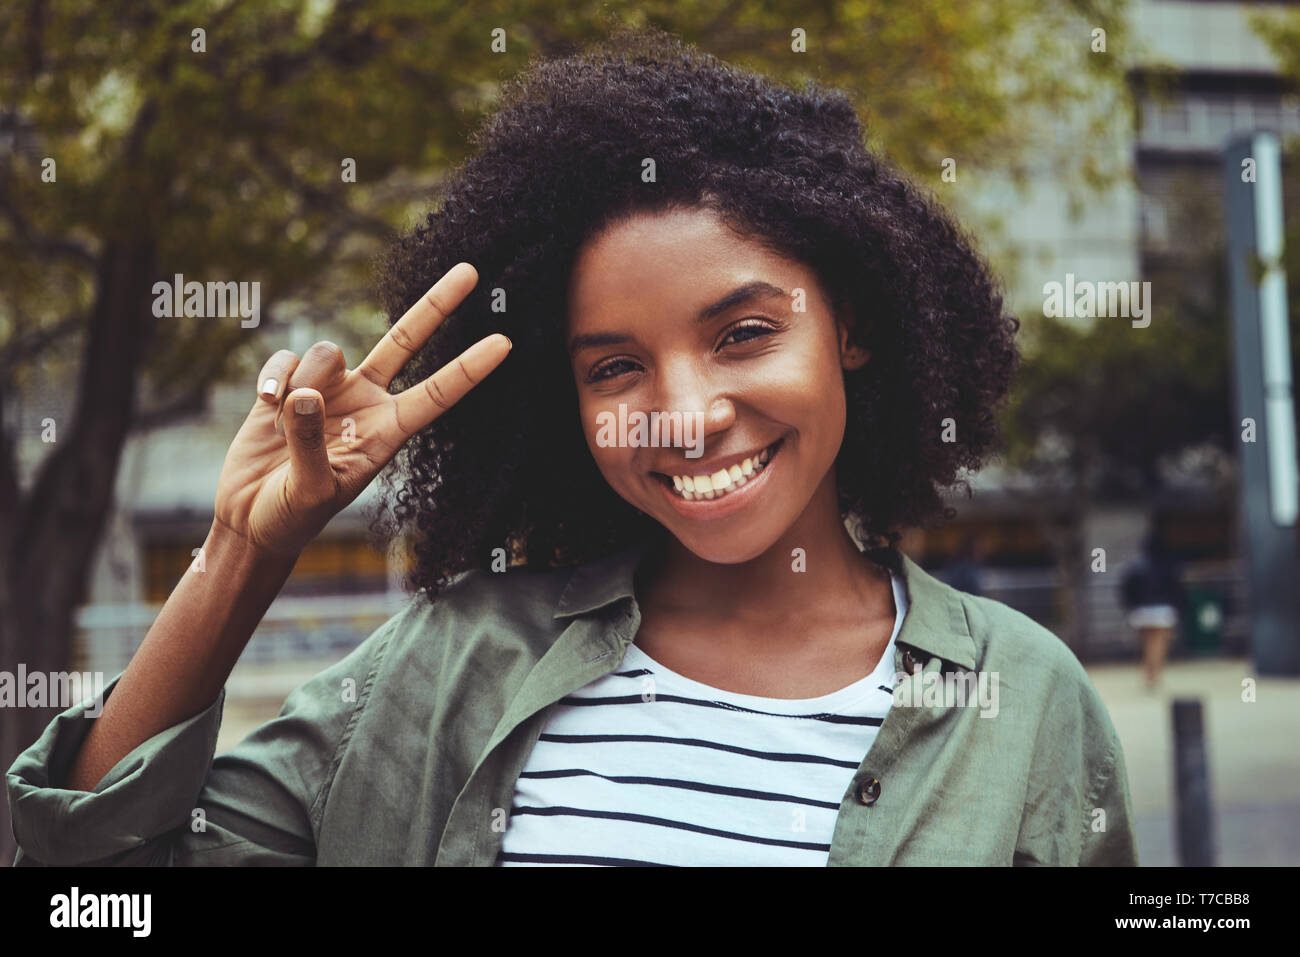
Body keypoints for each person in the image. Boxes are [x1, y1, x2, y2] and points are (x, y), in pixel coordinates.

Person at [6, 29, 1137, 866]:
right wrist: (237, 554)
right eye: (613, 367)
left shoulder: (1024, 699)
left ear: (851, 328)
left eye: (743, 334)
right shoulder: (447, 668)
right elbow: (93, 878)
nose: (682, 415)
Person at [1121, 530, 1186, 691]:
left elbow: (1127, 589)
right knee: (1159, 644)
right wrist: (1179, 606)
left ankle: (1148, 674)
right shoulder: (1168, 564)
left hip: (1141, 611)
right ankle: (1154, 675)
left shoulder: (1135, 565)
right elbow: (1176, 588)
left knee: (1145, 644)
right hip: (1162, 610)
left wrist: (1131, 606)